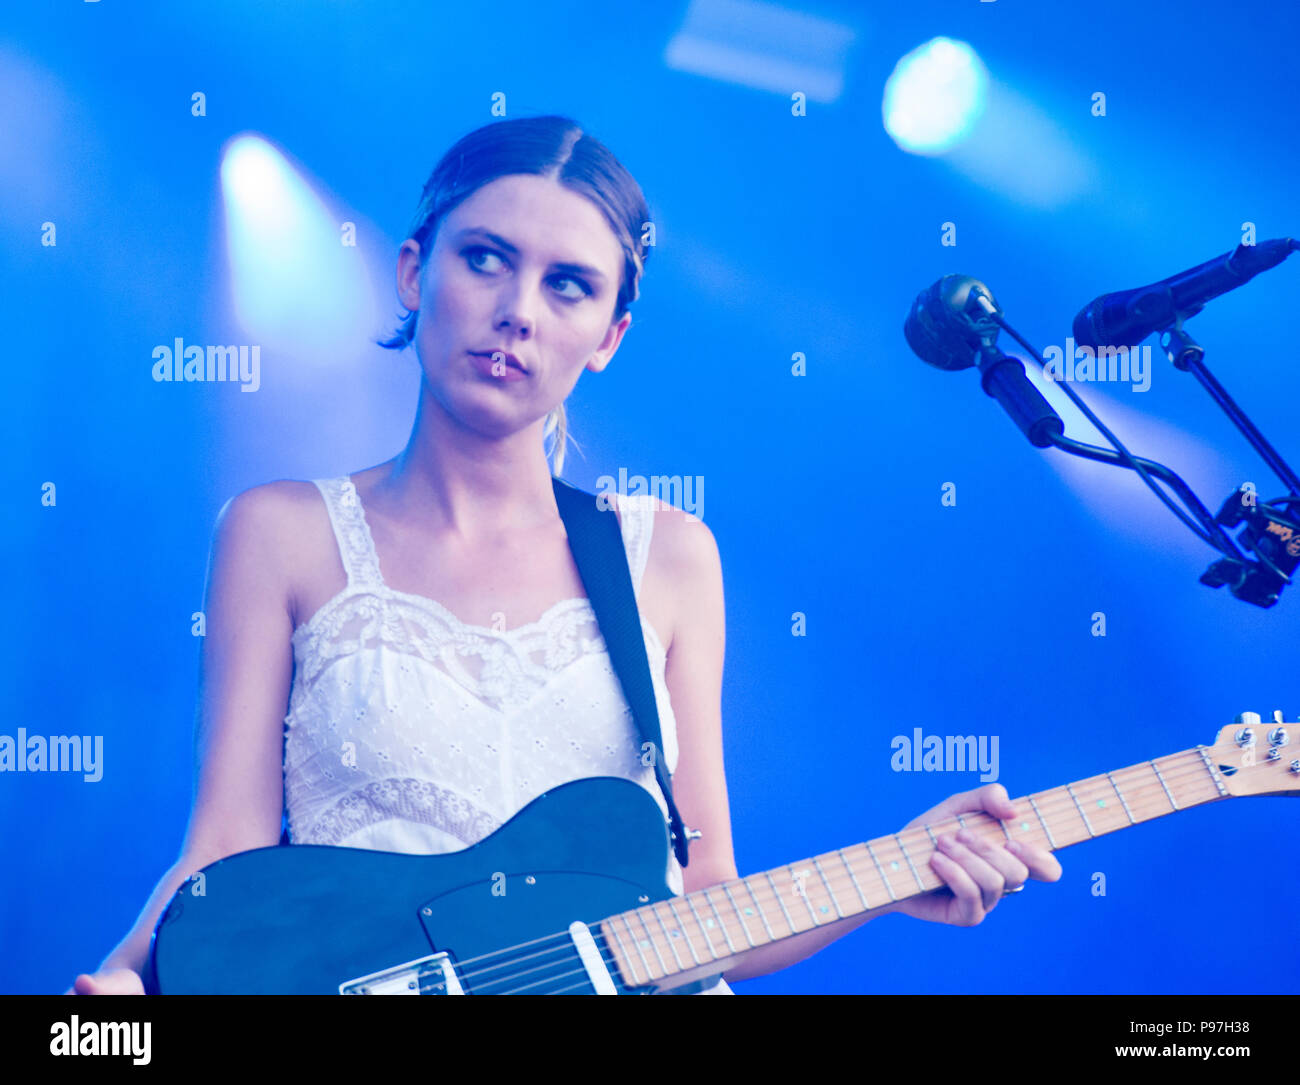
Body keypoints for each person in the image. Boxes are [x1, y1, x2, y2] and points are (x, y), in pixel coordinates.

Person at [69, 115, 1061, 997]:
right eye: (487, 259)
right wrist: (122, 983)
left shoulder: (668, 555)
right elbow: (225, 853)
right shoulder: (279, 530)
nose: (519, 312)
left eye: (569, 285)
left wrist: (891, 873)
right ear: (415, 272)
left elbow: (702, 902)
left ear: (608, 335)